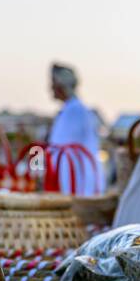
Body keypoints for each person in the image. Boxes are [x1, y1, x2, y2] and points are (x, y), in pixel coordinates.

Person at [47, 64, 102, 196]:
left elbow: (60, 150)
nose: (50, 88)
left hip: (78, 187)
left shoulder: (75, 111)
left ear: (61, 85)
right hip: (74, 186)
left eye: (53, 83)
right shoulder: (69, 110)